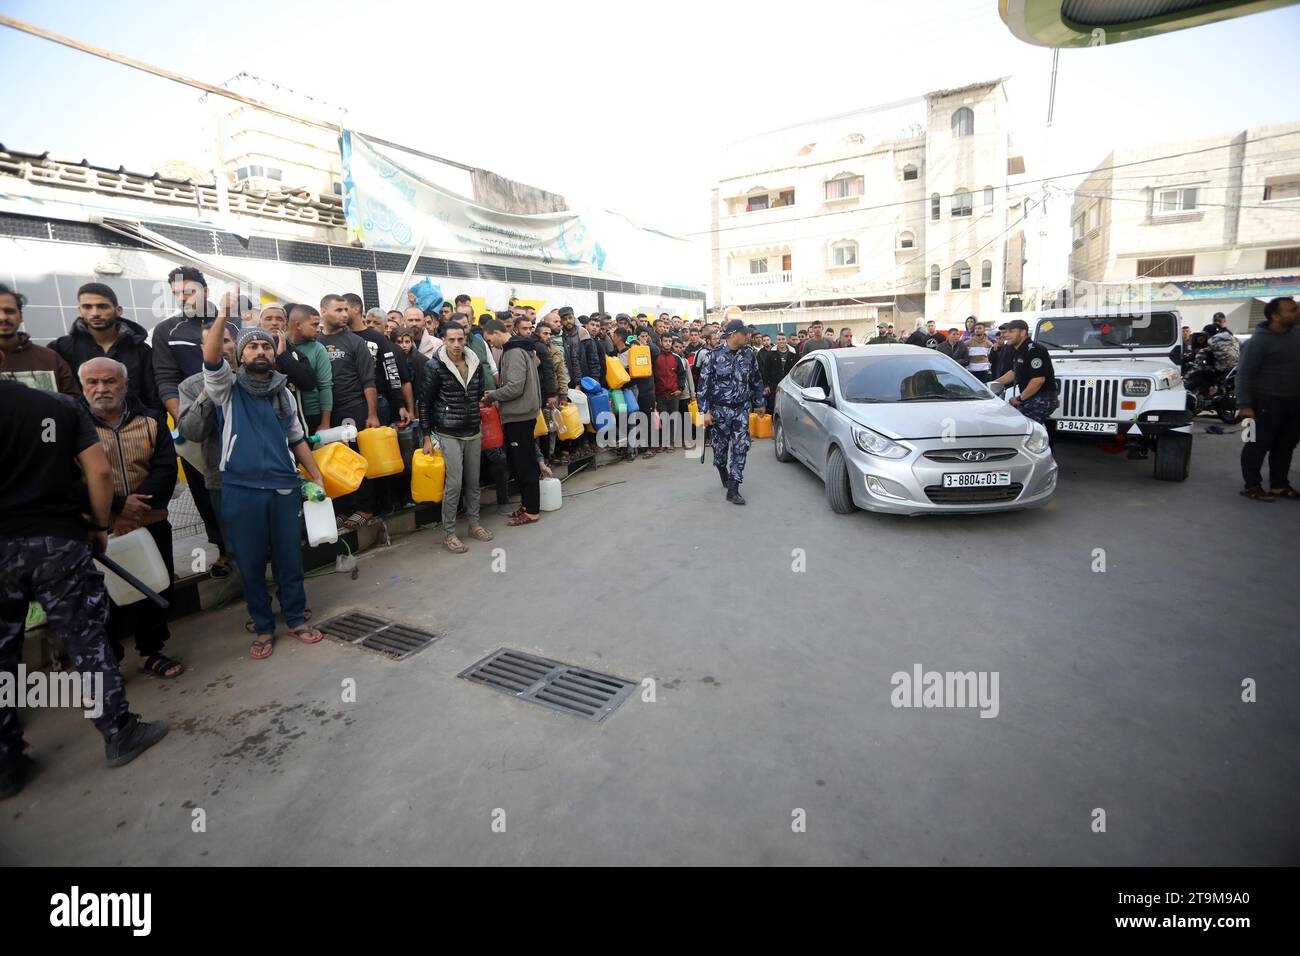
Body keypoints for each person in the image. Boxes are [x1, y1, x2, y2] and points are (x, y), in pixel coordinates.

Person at [1, 345, 169, 797]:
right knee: (86, 639)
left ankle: (5, 762)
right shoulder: (54, 406)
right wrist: (98, 525)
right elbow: (97, 473)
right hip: (55, 540)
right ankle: (119, 732)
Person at [202, 312, 327, 659]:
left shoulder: (284, 392)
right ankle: (262, 625)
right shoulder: (227, 389)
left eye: (266, 347)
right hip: (241, 489)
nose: (260, 351)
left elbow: (297, 438)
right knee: (250, 562)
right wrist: (222, 317)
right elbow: (211, 358)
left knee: (290, 558)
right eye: (252, 346)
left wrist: (315, 475)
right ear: (240, 355)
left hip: (284, 487)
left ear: (275, 354)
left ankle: (295, 618)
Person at [79, 357, 182, 679]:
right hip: (98, 528)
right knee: (99, 598)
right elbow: (68, 478)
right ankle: (109, 660)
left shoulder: (151, 420)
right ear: (82, 388)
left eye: (109, 382)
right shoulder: (73, 425)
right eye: (93, 383)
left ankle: (151, 651)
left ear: (124, 385)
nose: (101, 389)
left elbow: (166, 468)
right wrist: (118, 507)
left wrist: (136, 507)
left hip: (148, 520)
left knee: (156, 585)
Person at [151, 267, 234, 578]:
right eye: (177, 293)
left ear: (205, 291)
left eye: (189, 291)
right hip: (197, 421)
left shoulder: (230, 323)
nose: (183, 298)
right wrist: (185, 419)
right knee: (207, 489)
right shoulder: (166, 331)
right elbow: (165, 380)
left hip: (237, 413)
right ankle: (224, 549)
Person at [419, 324, 496, 552]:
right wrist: (425, 436)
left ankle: (474, 524)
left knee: (473, 481)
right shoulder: (434, 366)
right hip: (447, 430)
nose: (456, 344)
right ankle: (449, 533)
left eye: (460, 339)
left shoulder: (475, 364)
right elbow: (424, 402)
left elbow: (478, 394)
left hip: (472, 428)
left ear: (465, 340)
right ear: (443, 340)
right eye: (451, 340)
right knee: (454, 483)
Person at [318, 294, 380, 527]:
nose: (345, 314)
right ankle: (342, 508)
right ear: (323, 311)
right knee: (333, 461)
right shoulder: (315, 343)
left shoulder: (355, 342)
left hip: (354, 408)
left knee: (356, 458)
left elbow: (368, 381)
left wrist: (371, 414)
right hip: (326, 412)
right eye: (339, 310)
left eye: (346, 310)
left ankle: (364, 508)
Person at [51, 283, 160, 410]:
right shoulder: (61, 348)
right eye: (87, 307)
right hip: (81, 426)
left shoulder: (141, 350)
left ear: (118, 310)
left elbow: (153, 398)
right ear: (80, 310)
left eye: (102, 306)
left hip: (135, 425)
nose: (95, 313)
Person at [1236, 296, 1300, 502]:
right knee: (1255, 444)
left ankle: (1279, 485)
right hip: (1263, 403)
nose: (1298, 312)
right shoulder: (1258, 342)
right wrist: (1245, 405)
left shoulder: (1296, 335)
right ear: (1275, 315)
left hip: (1293, 403)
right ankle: (1252, 485)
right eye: (1293, 310)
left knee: (1285, 446)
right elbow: (1244, 374)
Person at [698, 317, 766, 505]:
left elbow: (755, 380)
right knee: (720, 449)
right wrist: (704, 411)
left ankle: (734, 487)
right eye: (745, 333)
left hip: (741, 409)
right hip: (719, 411)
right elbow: (703, 386)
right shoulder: (713, 356)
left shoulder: (748, 355)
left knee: (741, 446)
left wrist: (760, 402)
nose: (748, 336)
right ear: (734, 334)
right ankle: (721, 468)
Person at [482, 318, 542, 525]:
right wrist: (497, 393)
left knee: (524, 465)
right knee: (519, 463)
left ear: (497, 332)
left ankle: (532, 510)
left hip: (520, 416)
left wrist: (494, 396)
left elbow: (515, 386)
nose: (491, 344)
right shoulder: (518, 348)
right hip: (520, 414)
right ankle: (527, 505)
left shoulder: (513, 352)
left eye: (490, 339)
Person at [0, 285, 78, 395]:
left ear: (21, 316)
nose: (3, 317)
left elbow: (73, 404)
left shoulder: (50, 358)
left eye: (9, 311)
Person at [990, 319, 1058, 426]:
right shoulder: (1018, 350)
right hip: (1030, 397)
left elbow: (1038, 380)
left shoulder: (1035, 350)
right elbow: (1013, 372)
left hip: (1042, 398)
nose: (1006, 335)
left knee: (1018, 425)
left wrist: (1020, 399)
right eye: (1006, 332)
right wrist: (990, 385)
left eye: (1011, 331)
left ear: (1022, 333)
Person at [355, 302, 413, 426]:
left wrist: (406, 408)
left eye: (376, 323)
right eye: (368, 322)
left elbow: (402, 379)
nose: (371, 326)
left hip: (385, 403)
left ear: (385, 327)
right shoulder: (356, 343)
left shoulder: (395, 349)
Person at [286, 304, 333, 435]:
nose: (318, 329)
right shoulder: (279, 344)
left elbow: (325, 386)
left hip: (312, 414)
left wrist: (325, 423)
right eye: (314, 325)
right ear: (298, 325)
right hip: (285, 412)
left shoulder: (318, 349)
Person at [654, 332, 683, 448]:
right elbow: (652, 377)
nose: (667, 343)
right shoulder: (655, 357)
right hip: (659, 394)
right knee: (661, 419)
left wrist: (680, 388)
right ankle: (662, 443)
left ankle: (670, 443)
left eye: (669, 341)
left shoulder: (676, 358)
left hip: (673, 393)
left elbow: (682, 374)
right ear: (661, 342)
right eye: (665, 341)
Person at [761, 332, 797, 414]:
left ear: (786, 340)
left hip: (789, 385)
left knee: (788, 407)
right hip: (774, 385)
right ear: (776, 341)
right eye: (779, 339)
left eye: (783, 339)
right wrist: (766, 385)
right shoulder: (771, 353)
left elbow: (797, 369)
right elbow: (766, 370)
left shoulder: (793, 353)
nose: (781, 341)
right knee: (773, 406)